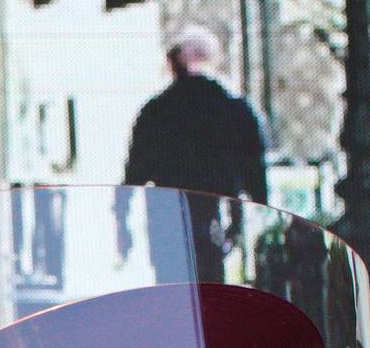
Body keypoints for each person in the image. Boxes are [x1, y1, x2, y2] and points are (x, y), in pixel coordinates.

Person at [115, 26, 269, 284]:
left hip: (168, 218)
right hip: (215, 216)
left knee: (172, 288)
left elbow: (134, 173)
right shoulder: (234, 109)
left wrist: (122, 222)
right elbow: (254, 168)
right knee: (211, 286)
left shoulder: (157, 111)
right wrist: (253, 211)